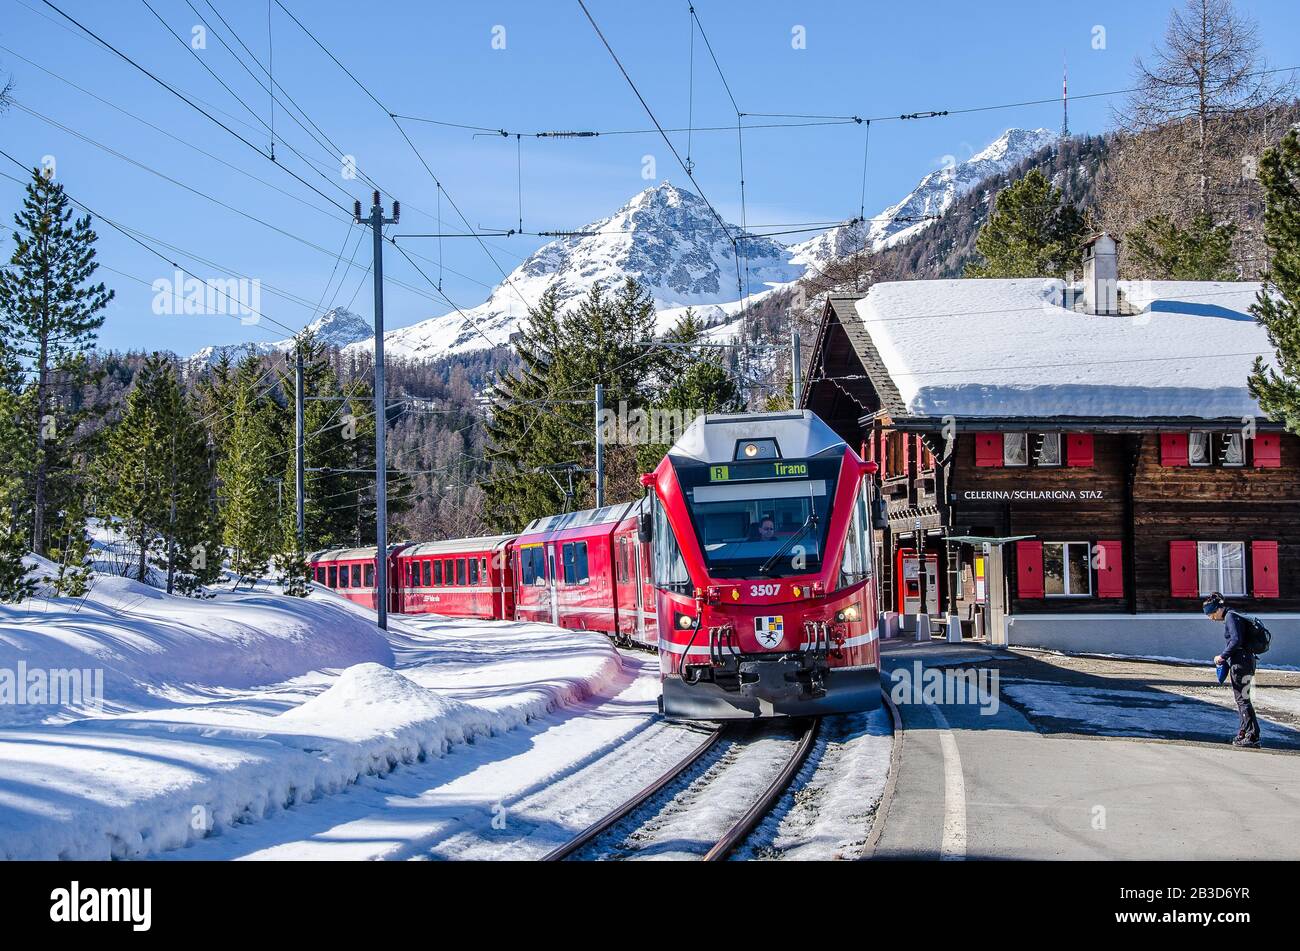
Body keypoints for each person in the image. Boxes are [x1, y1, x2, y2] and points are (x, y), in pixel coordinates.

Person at [1207, 592, 1260, 749]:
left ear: (1217, 609)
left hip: (1241, 663)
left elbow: (1236, 640)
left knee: (1243, 699)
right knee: (1242, 698)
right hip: (1246, 661)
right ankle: (1244, 732)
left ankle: (1252, 735)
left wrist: (1222, 657)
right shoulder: (1234, 615)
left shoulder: (1230, 617)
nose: (1211, 618)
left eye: (1210, 614)